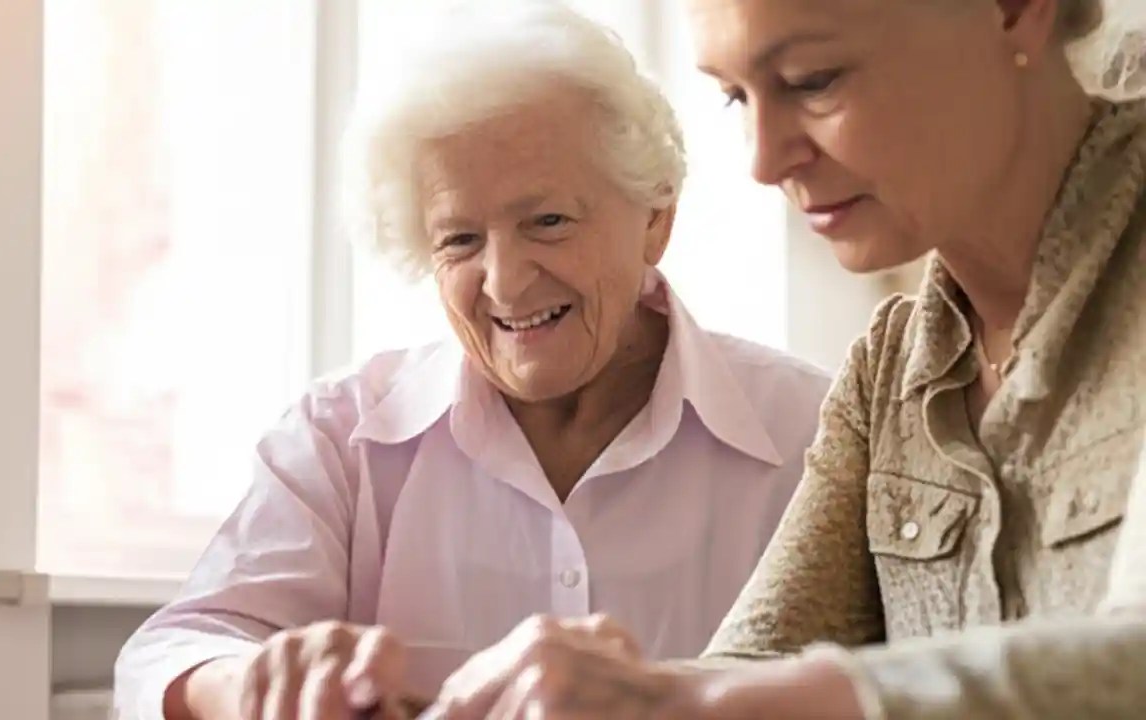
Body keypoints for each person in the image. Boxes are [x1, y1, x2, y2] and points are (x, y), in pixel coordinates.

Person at [367, 0, 1146, 718]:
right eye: (736, 97)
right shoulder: (889, 372)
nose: (764, 162)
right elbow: (751, 663)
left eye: (814, 80)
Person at [111, 3, 832, 718]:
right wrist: (253, 684)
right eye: (459, 240)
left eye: (548, 222)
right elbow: (173, 650)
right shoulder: (341, 437)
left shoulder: (812, 433)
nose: (505, 283)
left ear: (655, 218)